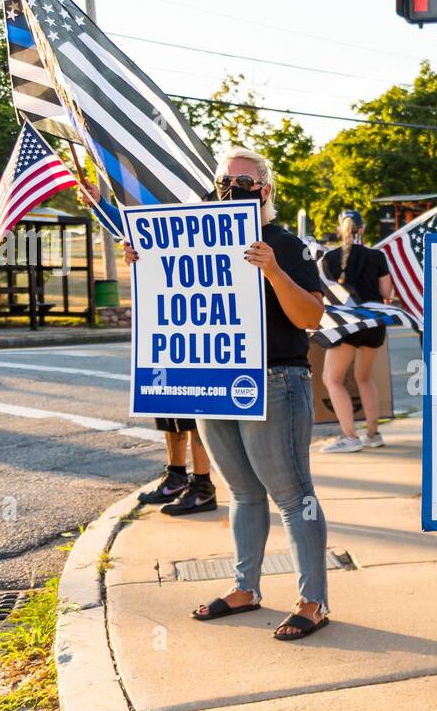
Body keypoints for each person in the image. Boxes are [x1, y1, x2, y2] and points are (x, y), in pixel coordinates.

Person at [123, 147, 331, 641]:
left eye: (242, 181)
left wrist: (273, 271)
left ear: (265, 190)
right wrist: (145, 263)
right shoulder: (200, 244)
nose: (231, 189)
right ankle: (245, 588)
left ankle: (313, 600)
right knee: (241, 491)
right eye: (223, 182)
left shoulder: (285, 244)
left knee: (292, 494)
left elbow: (311, 318)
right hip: (214, 381)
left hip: (276, 380)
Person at [76, 180, 217, 517]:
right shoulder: (158, 219)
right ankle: (176, 476)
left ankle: (203, 484)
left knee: (197, 413)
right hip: (162, 326)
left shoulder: (203, 215)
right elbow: (128, 228)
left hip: (195, 328)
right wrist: (99, 203)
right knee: (167, 406)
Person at [318, 209, 394, 453]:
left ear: (341, 230)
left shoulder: (329, 258)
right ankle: (373, 434)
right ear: (362, 229)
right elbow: (386, 294)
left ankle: (350, 437)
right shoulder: (377, 255)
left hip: (347, 324)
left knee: (332, 379)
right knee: (364, 377)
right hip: (373, 323)